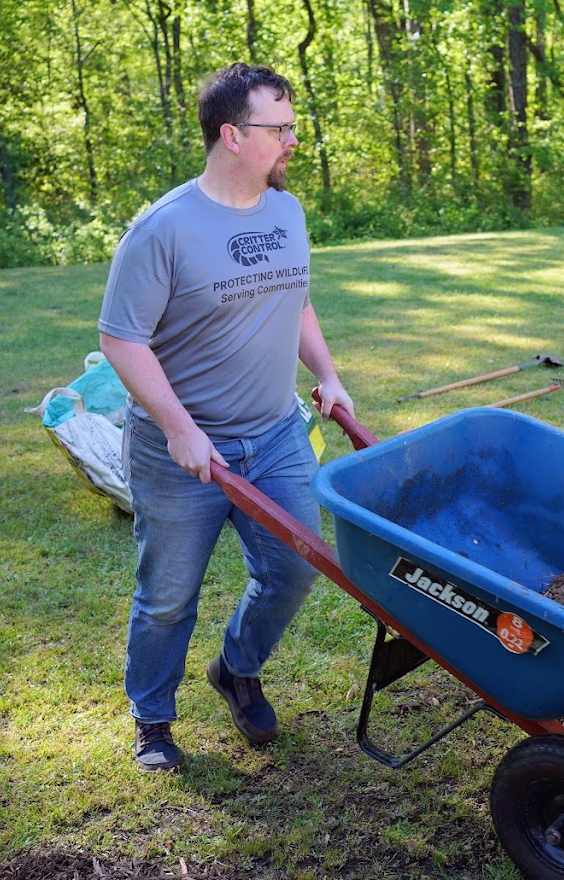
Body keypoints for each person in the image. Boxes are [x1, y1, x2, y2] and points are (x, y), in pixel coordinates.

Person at [98, 62, 354, 772]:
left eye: (293, 127)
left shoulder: (286, 211)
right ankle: (152, 718)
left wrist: (326, 375)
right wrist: (180, 427)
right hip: (181, 450)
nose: (293, 141)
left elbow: (294, 301)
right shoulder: (164, 229)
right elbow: (120, 338)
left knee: (293, 567)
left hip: (274, 433)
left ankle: (237, 666)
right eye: (281, 129)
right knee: (167, 597)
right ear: (233, 135)